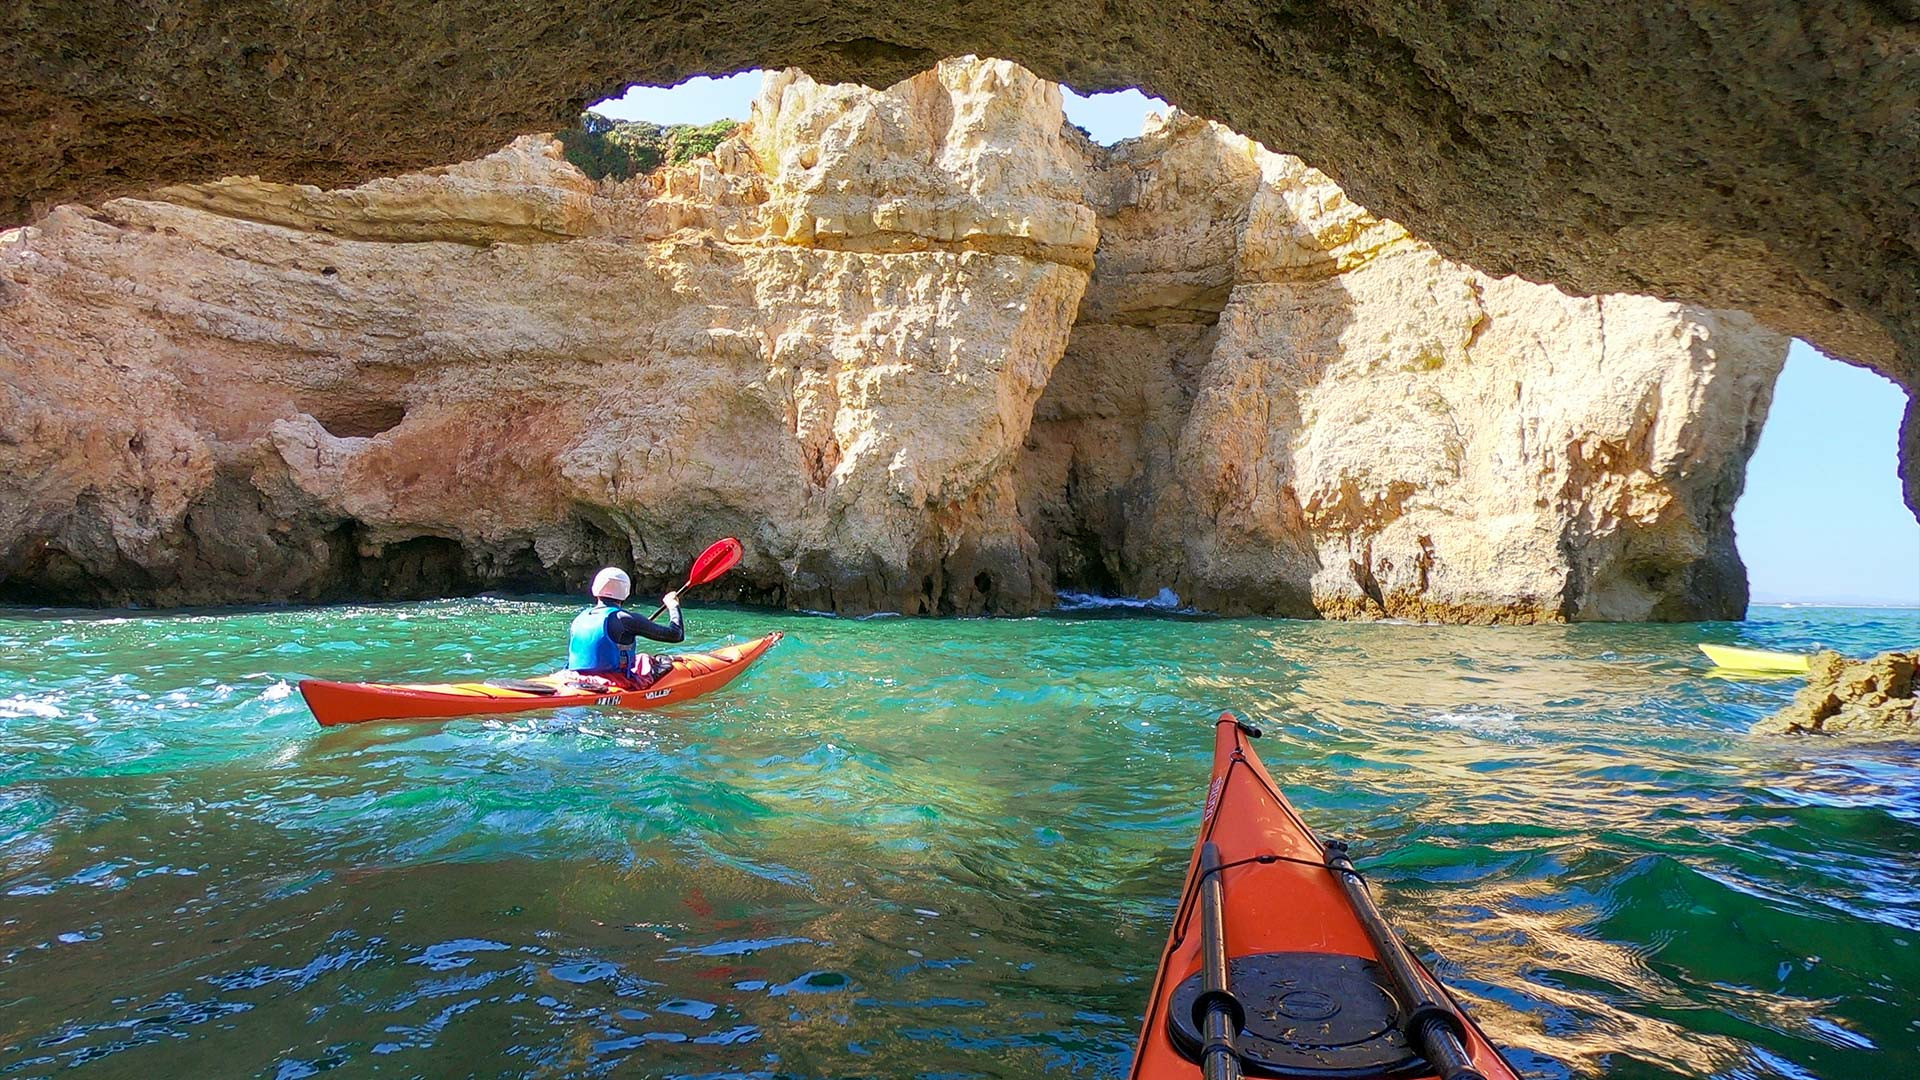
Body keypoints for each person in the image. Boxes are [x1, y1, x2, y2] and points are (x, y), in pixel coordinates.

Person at [567, 567, 685, 687]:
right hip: (613, 679)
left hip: (574, 676)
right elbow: (676, 635)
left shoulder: (580, 617)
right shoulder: (625, 619)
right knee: (659, 662)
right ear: (625, 591)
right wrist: (673, 605)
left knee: (642, 658)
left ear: (595, 588)